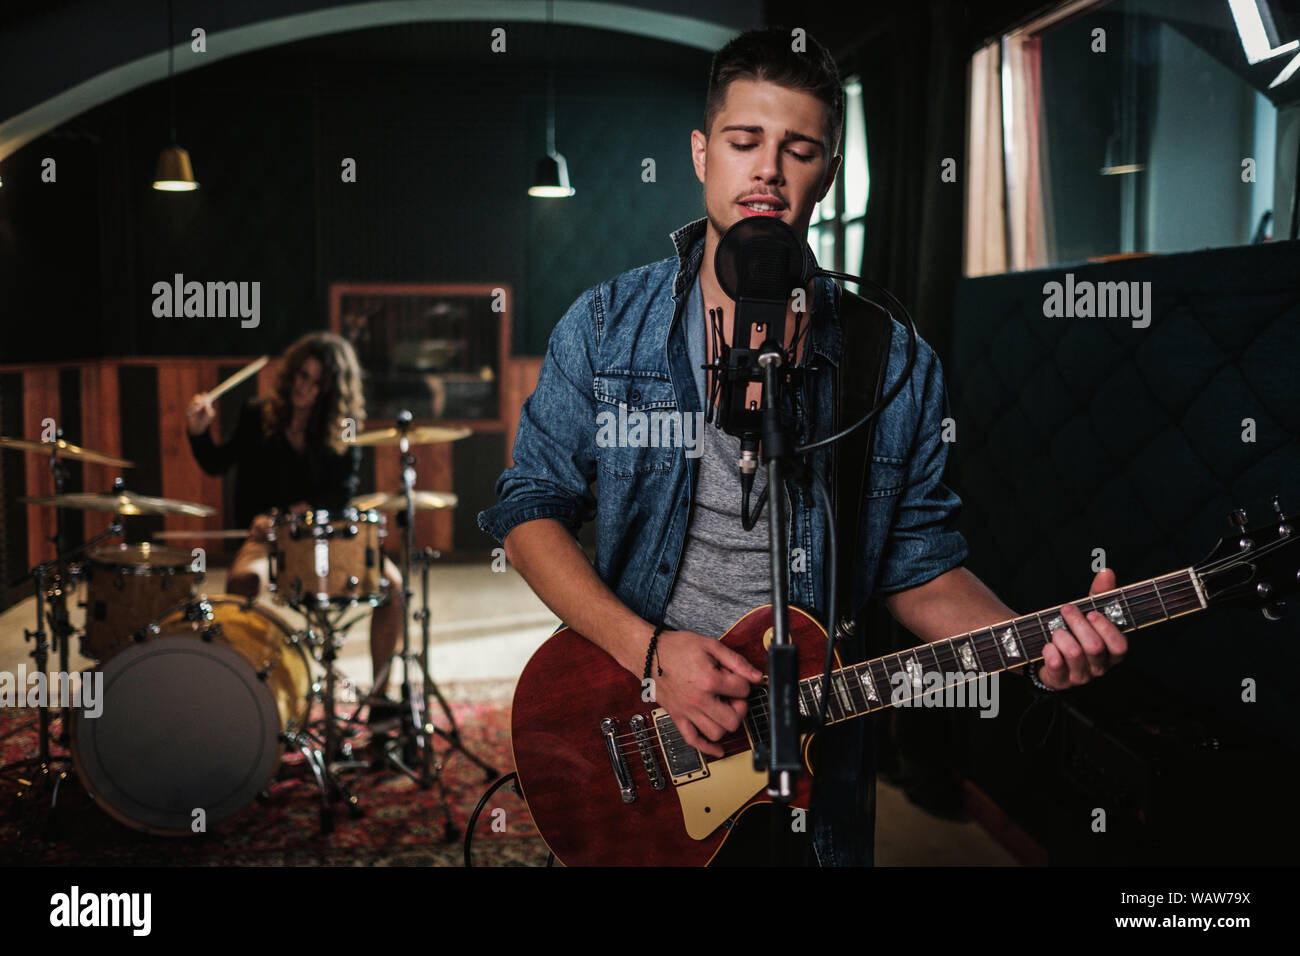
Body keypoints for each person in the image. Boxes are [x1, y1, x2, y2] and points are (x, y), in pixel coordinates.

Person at [478, 27, 1127, 865]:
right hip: (634, 713)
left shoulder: (891, 357)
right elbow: (530, 513)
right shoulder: (607, 328)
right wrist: (649, 654)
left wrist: (1038, 644)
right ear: (701, 153)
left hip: (817, 751)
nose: (768, 172)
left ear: (829, 169)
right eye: (745, 142)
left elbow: (918, 566)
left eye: (800, 150)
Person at [186, 331, 406, 721]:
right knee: (241, 582)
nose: (306, 387)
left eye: (318, 382)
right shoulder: (258, 414)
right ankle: (244, 694)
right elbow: (217, 464)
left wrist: (313, 510)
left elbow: (344, 491)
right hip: (271, 538)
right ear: (291, 374)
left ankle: (379, 698)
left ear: (331, 389)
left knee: (393, 586)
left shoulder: (344, 426)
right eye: (302, 375)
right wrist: (199, 431)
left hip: (326, 536)